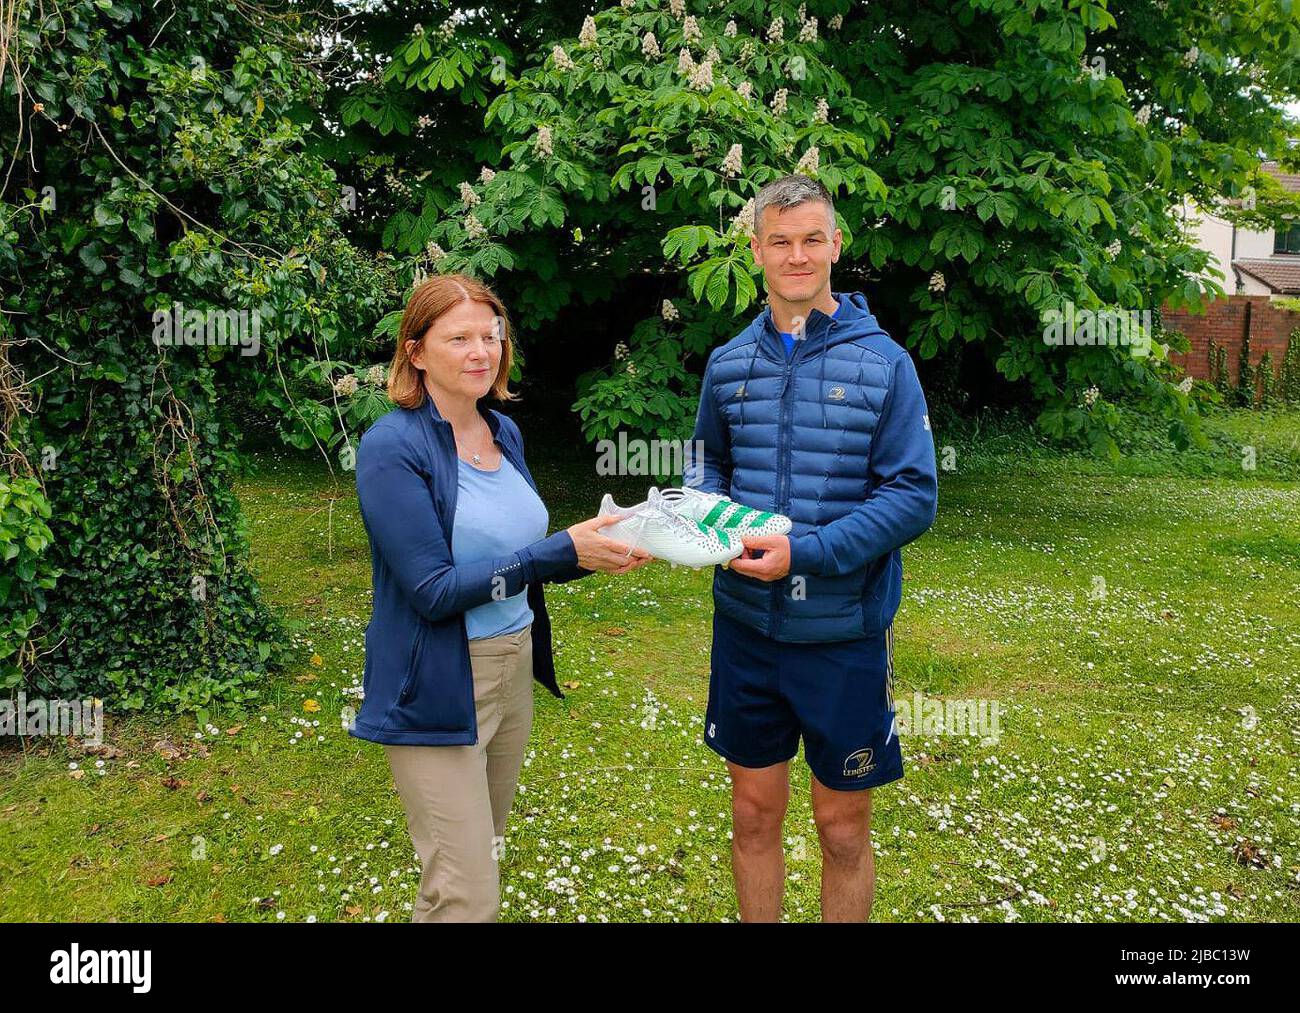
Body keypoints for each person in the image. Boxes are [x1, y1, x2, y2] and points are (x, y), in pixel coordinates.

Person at [350, 273, 651, 922]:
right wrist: (560, 549)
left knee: (466, 868)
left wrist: (596, 550)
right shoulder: (391, 449)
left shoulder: (503, 433)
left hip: (510, 670)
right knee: (469, 895)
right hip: (438, 681)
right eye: (458, 337)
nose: (481, 350)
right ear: (416, 351)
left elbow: (517, 561)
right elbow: (432, 592)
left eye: (491, 335)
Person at [685, 174, 938, 922]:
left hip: (844, 635)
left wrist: (809, 553)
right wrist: (714, 525)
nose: (797, 255)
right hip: (747, 631)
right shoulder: (729, 363)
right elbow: (706, 469)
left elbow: (912, 495)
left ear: (836, 244)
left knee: (841, 828)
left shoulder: (885, 363)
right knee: (754, 817)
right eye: (781, 241)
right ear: (756, 247)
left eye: (812, 239)